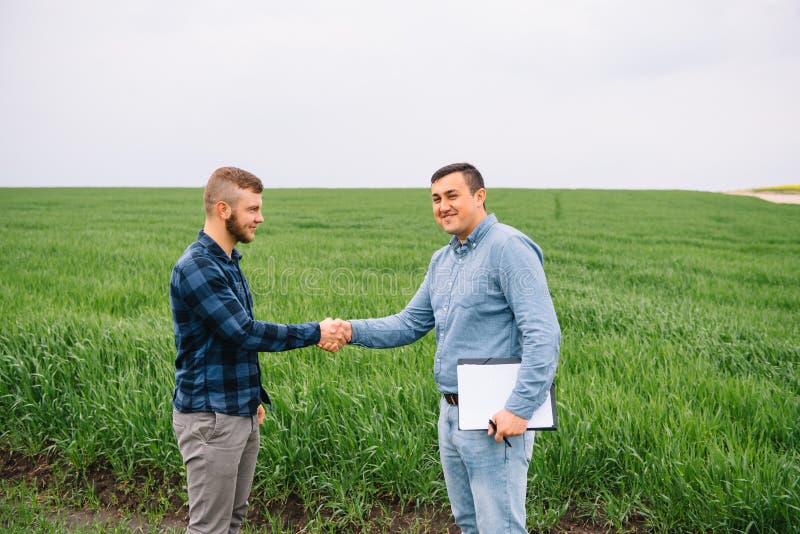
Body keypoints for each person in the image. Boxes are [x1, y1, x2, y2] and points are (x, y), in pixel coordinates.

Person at [326, 163, 560, 533]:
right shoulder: (443, 260)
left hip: (495, 418)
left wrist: (519, 408)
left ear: (479, 196)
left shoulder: (508, 248)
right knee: (468, 523)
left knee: (500, 527)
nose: (443, 206)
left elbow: (543, 334)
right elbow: (409, 323)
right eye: (436, 199)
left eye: (452, 196)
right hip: (451, 413)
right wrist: (351, 330)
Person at [169, 166, 348, 534]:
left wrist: (252, 398)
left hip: (238, 411)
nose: (260, 218)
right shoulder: (198, 267)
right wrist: (315, 332)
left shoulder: (228, 262)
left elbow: (226, 342)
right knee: (209, 527)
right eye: (252, 209)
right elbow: (243, 332)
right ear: (223, 209)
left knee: (233, 520)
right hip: (212, 418)